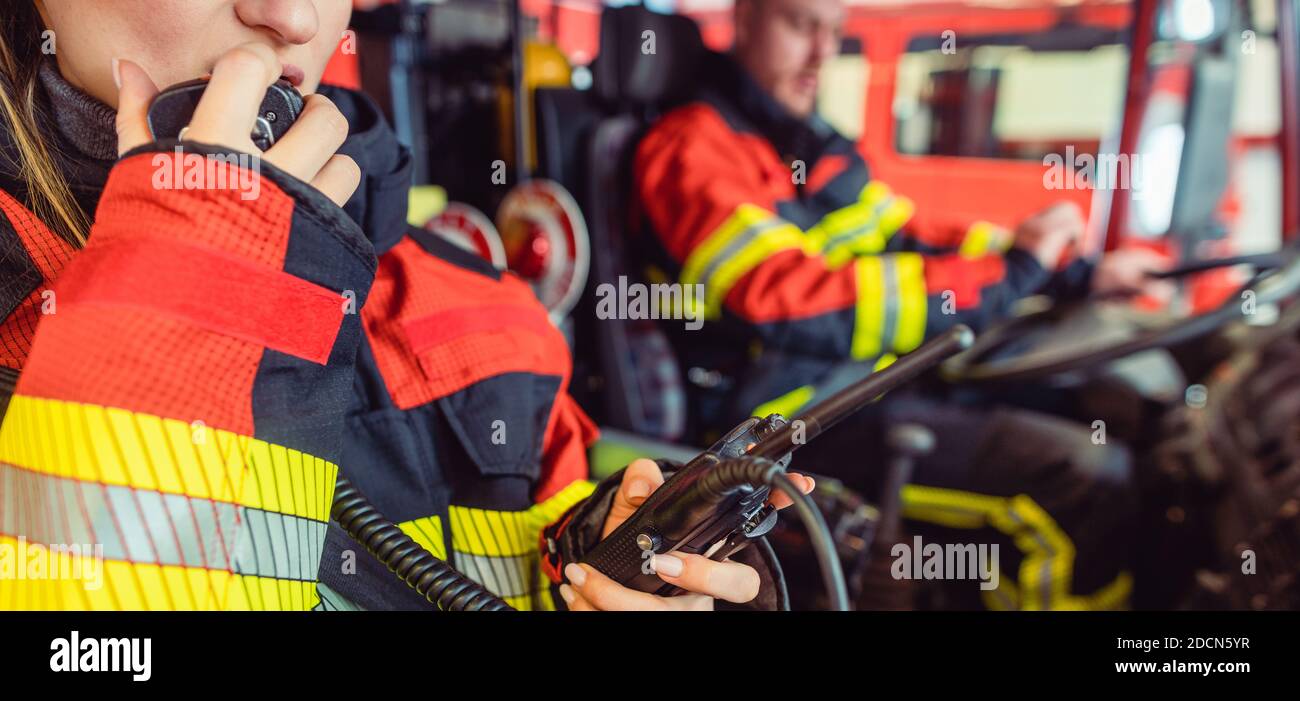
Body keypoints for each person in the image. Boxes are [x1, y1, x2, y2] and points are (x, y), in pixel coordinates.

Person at [0, 0, 811, 611]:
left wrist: (600, 560)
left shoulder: (485, 310)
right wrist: (195, 302)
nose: (294, 17)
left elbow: (521, 544)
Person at [634, 0, 1170, 609]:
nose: (821, 52)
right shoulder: (692, 150)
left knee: (1115, 407)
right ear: (747, 18)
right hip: (790, 424)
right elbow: (792, 302)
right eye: (801, 24)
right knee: (1086, 482)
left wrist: (1066, 270)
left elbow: (906, 235)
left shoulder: (801, 140)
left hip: (871, 382)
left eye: (834, 30)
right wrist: (1015, 275)